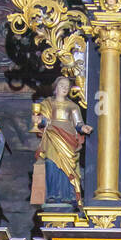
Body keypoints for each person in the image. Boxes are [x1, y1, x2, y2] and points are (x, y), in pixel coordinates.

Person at [30, 75, 92, 207]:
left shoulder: (73, 106)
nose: (64, 88)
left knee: (68, 168)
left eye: (67, 86)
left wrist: (83, 127)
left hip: (68, 139)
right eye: (62, 85)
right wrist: (40, 120)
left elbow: (78, 123)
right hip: (52, 136)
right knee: (51, 164)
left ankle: (67, 196)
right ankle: (52, 195)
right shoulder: (48, 103)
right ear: (55, 88)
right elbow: (44, 119)